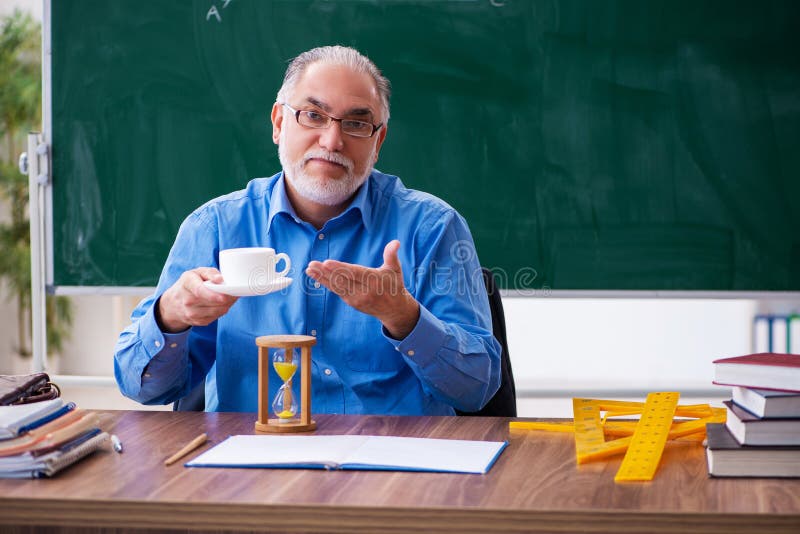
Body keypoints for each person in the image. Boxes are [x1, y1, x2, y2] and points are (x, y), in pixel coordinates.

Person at [114, 45, 500, 415]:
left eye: (356, 123)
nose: (332, 141)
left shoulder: (432, 228)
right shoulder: (215, 227)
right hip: (251, 467)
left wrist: (405, 318)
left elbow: (477, 388)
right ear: (279, 123)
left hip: (391, 469)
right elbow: (144, 387)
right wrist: (170, 315)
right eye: (313, 115)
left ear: (378, 141)